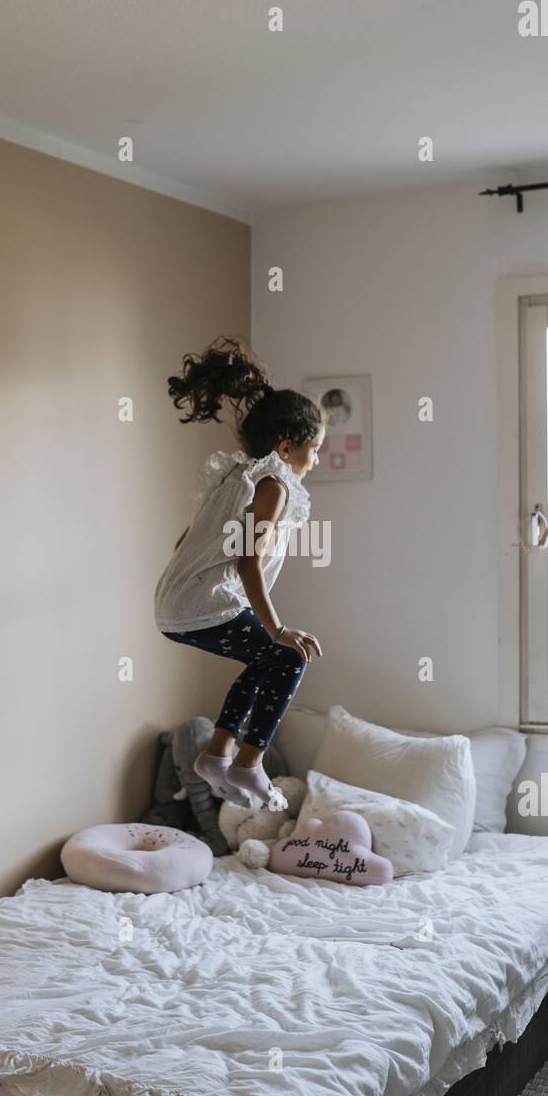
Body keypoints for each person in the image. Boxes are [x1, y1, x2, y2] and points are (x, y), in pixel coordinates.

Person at [154, 336, 324, 808]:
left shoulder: (235, 477)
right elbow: (249, 561)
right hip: (202, 606)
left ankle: (218, 754)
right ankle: (248, 764)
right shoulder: (273, 485)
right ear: (288, 446)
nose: (316, 460)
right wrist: (279, 628)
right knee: (288, 656)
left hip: (174, 604)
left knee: (266, 658)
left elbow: (183, 544)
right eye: (315, 449)